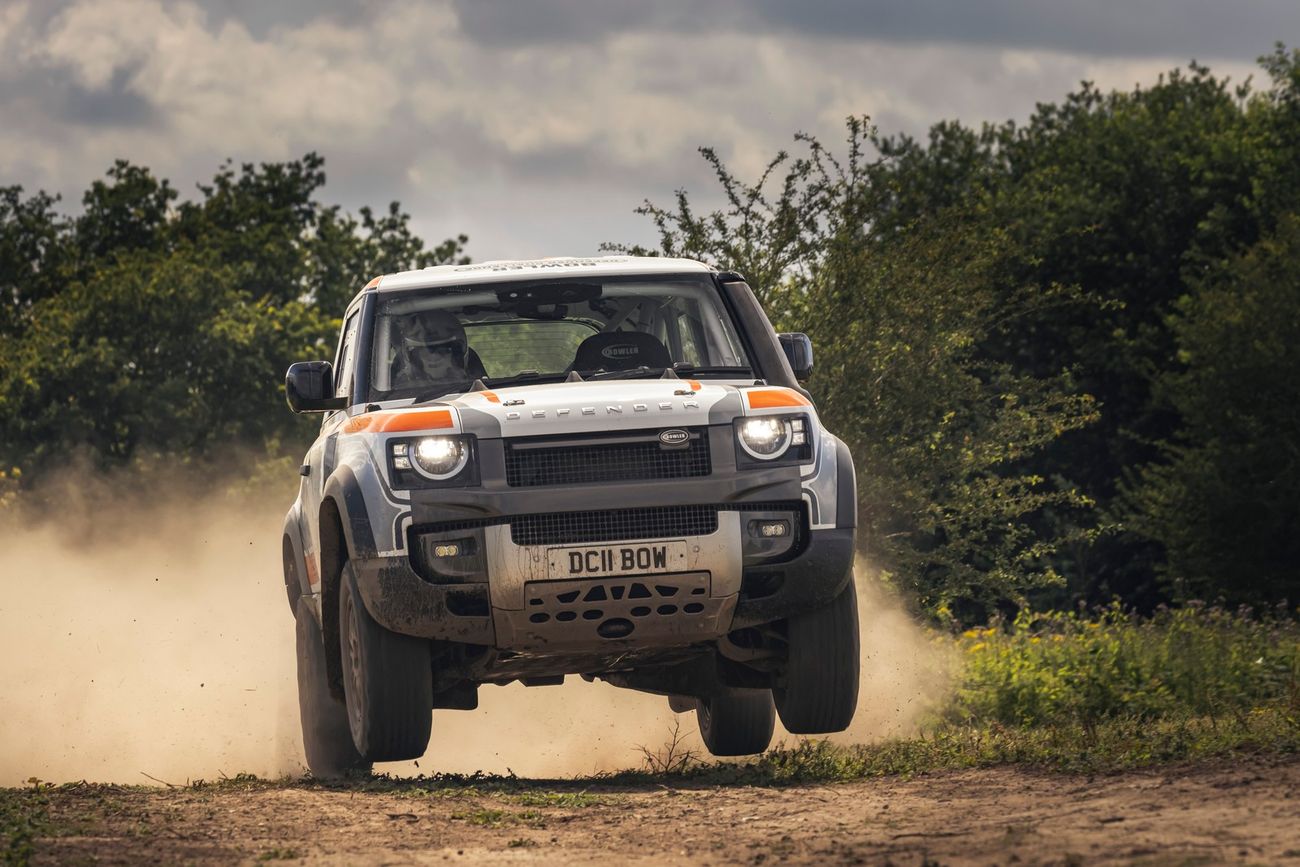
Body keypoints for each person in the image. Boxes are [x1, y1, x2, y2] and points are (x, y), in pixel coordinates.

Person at [390, 308, 470, 391]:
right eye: (430, 349)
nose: (434, 356)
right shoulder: (399, 394)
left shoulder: (475, 392)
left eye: (443, 350)